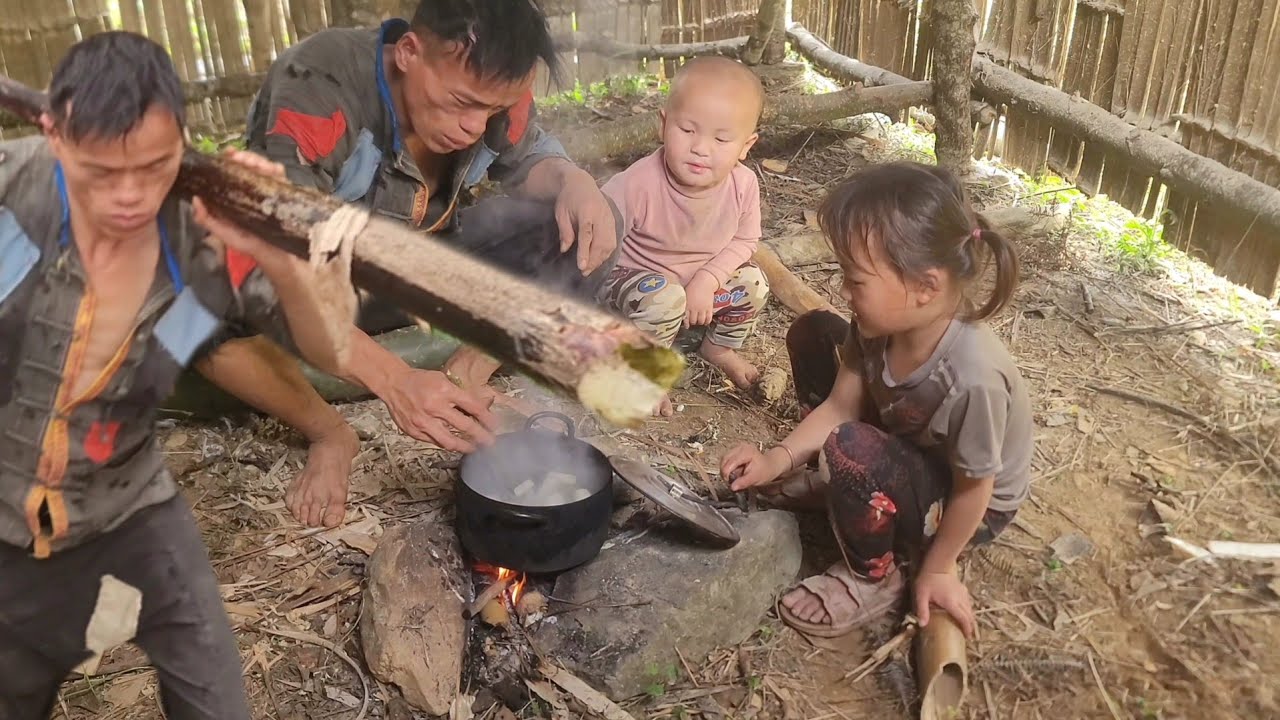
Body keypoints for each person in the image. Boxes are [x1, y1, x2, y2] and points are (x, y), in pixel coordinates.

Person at [0, 32, 357, 718]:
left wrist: (279, 254)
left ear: (183, 142)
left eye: (154, 166)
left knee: (213, 694)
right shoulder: (12, 198)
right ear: (54, 136)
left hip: (132, 503)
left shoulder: (203, 221)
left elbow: (329, 345)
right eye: (101, 173)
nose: (130, 196)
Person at [194, 0, 622, 528]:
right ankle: (330, 432)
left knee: (589, 224)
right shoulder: (319, 83)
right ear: (409, 52)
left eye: (491, 110)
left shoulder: (493, 92)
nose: (474, 127)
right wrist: (395, 380)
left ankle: (466, 371)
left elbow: (530, 157)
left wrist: (573, 180)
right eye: (461, 103)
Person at [719, 162, 1032, 641]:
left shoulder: (974, 378)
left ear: (925, 287)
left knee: (849, 446)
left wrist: (940, 568)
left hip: (964, 501)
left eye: (856, 280)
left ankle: (875, 576)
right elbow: (840, 407)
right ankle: (845, 481)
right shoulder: (878, 326)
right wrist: (776, 459)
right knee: (814, 332)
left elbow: (975, 490)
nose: (844, 291)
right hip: (909, 444)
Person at [600, 57, 770, 417]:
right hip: (634, 287)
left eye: (721, 138)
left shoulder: (743, 185)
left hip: (696, 289)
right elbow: (597, 238)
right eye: (688, 130)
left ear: (746, 145)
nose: (701, 148)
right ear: (663, 125)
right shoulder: (636, 184)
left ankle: (718, 347)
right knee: (665, 299)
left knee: (754, 283)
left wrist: (707, 280)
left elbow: (745, 241)